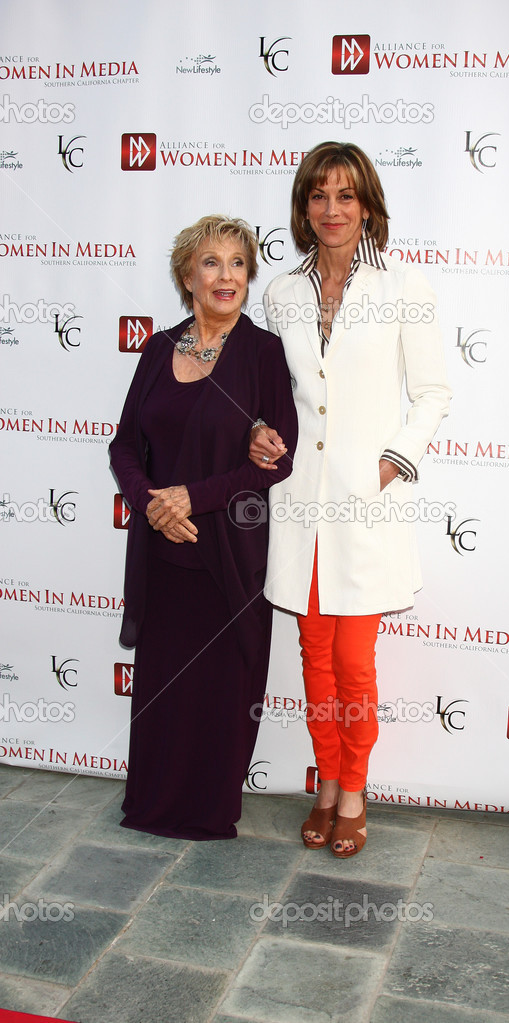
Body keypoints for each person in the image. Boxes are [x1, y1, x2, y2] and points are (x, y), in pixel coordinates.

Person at [250, 142, 451, 857]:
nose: (331, 209)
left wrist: (391, 465)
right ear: (303, 208)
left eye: (345, 195)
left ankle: (355, 786)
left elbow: (432, 393)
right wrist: (261, 435)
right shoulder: (279, 293)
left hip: (366, 502)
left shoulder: (405, 287)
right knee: (312, 654)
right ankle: (326, 783)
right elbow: (271, 396)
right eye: (318, 195)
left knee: (355, 661)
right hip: (301, 501)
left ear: (367, 204)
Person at [109, 215, 297, 840]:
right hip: (162, 556)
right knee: (163, 690)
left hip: (227, 555)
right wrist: (153, 504)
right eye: (211, 263)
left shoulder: (264, 352)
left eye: (238, 263)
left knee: (219, 690)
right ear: (187, 276)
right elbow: (124, 447)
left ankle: (208, 811)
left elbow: (277, 456)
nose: (226, 276)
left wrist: (193, 497)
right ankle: (153, 805)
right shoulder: (159, 350)